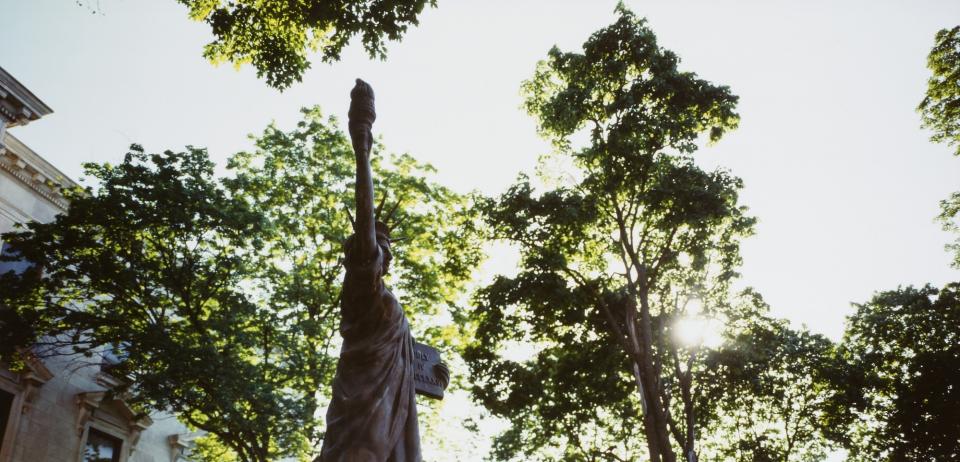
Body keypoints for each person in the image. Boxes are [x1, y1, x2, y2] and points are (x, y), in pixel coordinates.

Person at [319, 79, 421, 462]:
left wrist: (433, 378)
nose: (383, 251)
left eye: (387, 246)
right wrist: (362, 148)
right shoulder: (364, 292)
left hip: (390, 423)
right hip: (361, 418)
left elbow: (412, 364)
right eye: (377, 244)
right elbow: (366, 227)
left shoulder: (387, 303)